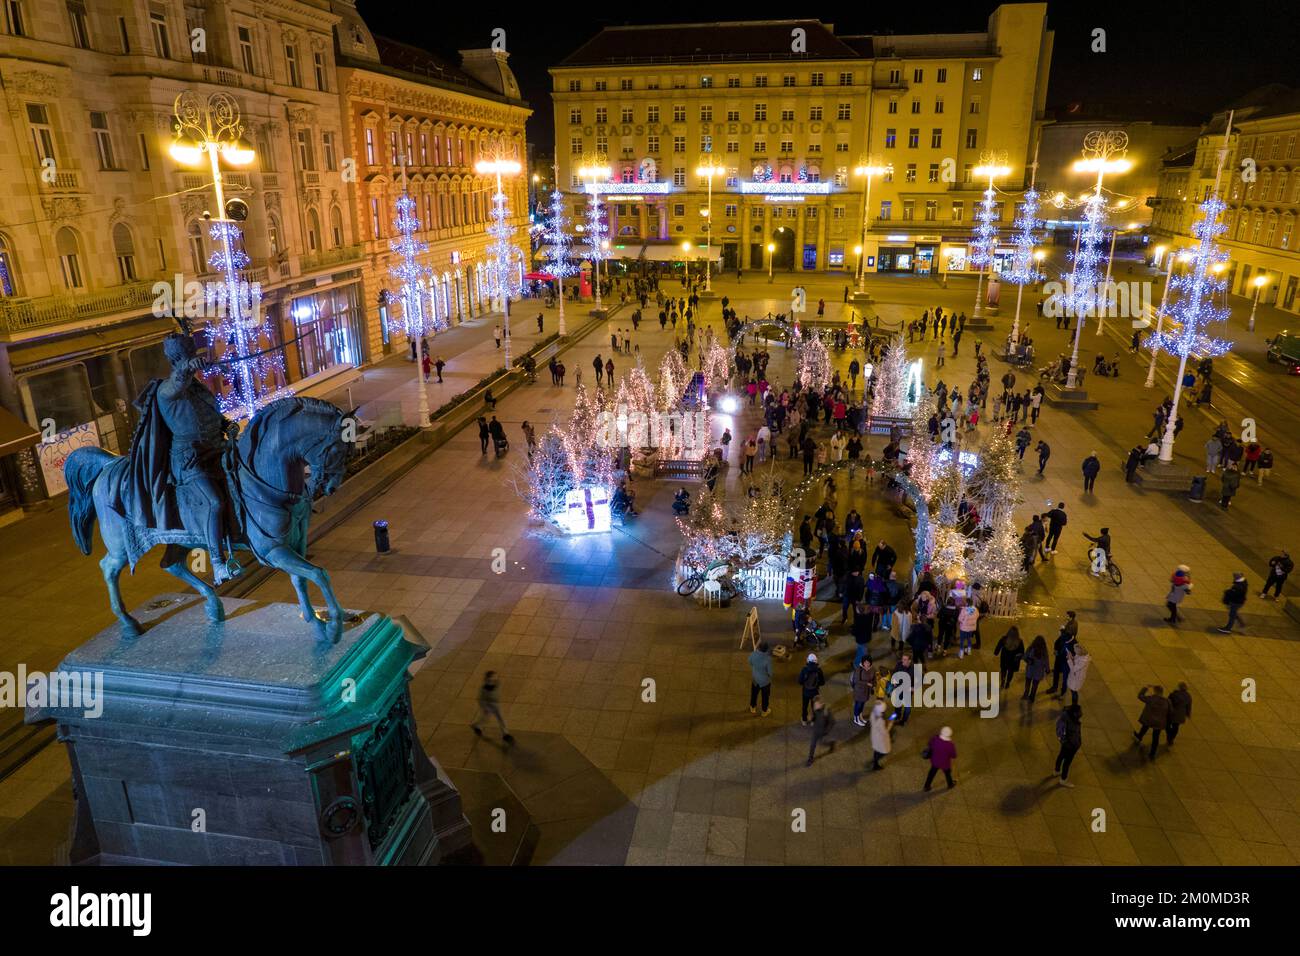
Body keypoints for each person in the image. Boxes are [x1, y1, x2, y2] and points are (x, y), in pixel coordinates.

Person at [471, 671, 514, 743]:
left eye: (494, 677)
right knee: (486, 717)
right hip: (488, 704)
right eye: (491, 678)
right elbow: (480, 699)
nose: (493, 679)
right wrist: (485, 707)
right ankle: (477, 726)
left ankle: (505, 734)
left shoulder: (497, 684)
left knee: (500, 718)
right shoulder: (484, 688)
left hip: (495, 704)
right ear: (487, 679)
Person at [1133, 685, 1169, 759]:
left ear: (1155, 691)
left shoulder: (1152, 699)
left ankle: (1139, 737)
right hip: (1159, 722)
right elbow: (1170, 711)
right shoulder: (1167, 701)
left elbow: (1140, 696)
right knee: (1155, 738)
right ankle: (1152, 753)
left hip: (1149, 719)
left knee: (1145, 727)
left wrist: (1145, 688)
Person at [1047, 611, 1078, 695]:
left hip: (1064, 660)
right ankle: (1056, 687)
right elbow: (1057, 642)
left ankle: (1060, 690)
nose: (1066, 617)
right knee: (1058, 671)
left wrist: (1063, 630)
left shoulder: (1069, 641)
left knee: (1064, 676)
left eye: (1067, 616)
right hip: (1061, 657)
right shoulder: (1066, 637)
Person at [1054, 704, 1083, 787]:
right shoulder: (1070, 721)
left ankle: (1056, 770)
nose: (1081, 713)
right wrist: (1067, 742)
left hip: (1069, 743)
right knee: (1067, 762)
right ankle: (1063, 779)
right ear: (1074, 713)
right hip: (1070, 745)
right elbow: (1070, 733)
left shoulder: (1067, 718)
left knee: (1061, 756)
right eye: (1079, 712)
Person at [922, 727, 957, 791]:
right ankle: (950, 784)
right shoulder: (950, 745)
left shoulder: (935, 739)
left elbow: (929, 744)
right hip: (945, 763)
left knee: (931, 773)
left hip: (935, 761)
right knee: (947, 773)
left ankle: (926, 786)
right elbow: (954, 755)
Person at [806, 695, 835, 766]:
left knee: (822, 743)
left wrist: (826, 730)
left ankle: (831, 744)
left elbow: (832, 722)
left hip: (822, 731)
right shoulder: (815, 710)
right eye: (814, 704)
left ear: (822, 704)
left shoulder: (826, 712)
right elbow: (813, 718)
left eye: (817, 704)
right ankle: (810, 759)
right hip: (815, 731)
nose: (815, 706)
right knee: (812, 745)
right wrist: (810, 720)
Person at [993, 626, 1024, 690]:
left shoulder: (1004, 639)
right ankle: (1007, 682)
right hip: (1013, 660)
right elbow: (1022, 652)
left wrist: (996, 652)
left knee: (1003, 670)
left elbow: (999, 646)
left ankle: (1003, 681)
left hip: (1005, 658)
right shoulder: (1019, 642)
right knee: (1010, 672)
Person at [798, 653, 826, 726]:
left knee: (804, 706)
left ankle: (804, 720)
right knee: (814, 706)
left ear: (808, 661)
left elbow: (800, 681)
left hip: (805, 692)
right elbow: (823, 682)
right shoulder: (819, 670)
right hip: (815, 692)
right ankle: (813, 721)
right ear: (816, 661)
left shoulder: (804, 670)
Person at [1021, 635, 1050, 702]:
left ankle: (1026, 694)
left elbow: (1025, 656)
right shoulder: (1044, 652)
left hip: (1030, 671)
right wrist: (1047, 670)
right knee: (1035, 686)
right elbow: (1046, 662)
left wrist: (1026, 659)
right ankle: (1032, 697)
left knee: (1027, 684)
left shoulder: (1031, 648)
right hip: (1038, 673)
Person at [748, 640, 773, 716]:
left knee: (754, 694)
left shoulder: (753, 654)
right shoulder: (767, 659)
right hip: (765, 682)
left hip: (755, 679)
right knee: (765, 697)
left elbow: (750, 662)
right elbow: (770, 673)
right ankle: (764, 711)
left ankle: (753, 707)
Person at [850, 655, 875, 726]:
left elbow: (874, 679)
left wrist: (873, 684)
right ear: (863, 662)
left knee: (862, 705)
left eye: (868, 662)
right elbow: (856, 681)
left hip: (866, 692)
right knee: (858, 705)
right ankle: (856, 719)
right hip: (859, 691)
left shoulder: (872, 669)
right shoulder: (859, 669)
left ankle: (860, 716)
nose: (867, 664)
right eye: (865, 662)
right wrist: (867, 683)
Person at [868, 699, 892, 771]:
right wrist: (890, 723)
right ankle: (875, 762)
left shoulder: (873, 713)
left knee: (876, 750)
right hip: (880, 739)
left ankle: (875, 762)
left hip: (874, 735)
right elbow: (885, 731)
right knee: (883, 752)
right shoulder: (881, 721)